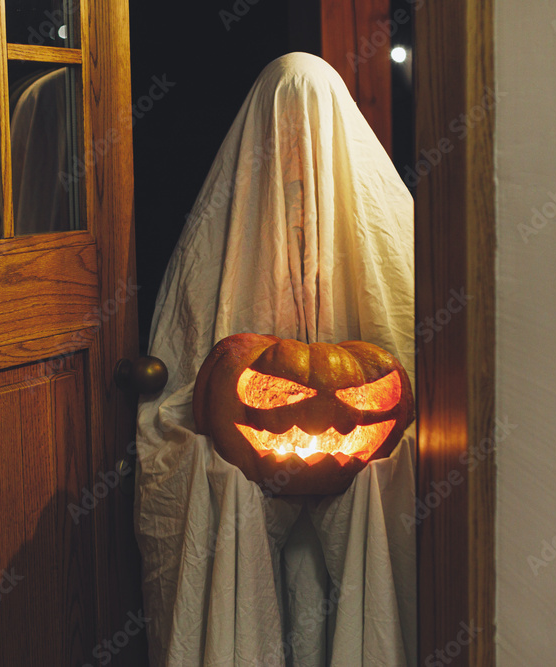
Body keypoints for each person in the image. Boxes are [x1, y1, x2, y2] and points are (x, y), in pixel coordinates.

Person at [135, 52, 416, 666]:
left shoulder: (383, 221)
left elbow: (404, 331)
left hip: (351, 455)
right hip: (251, 451)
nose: (299, 145)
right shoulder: (221, 230)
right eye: (284, 126)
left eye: (312, 124)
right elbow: (184, 358)